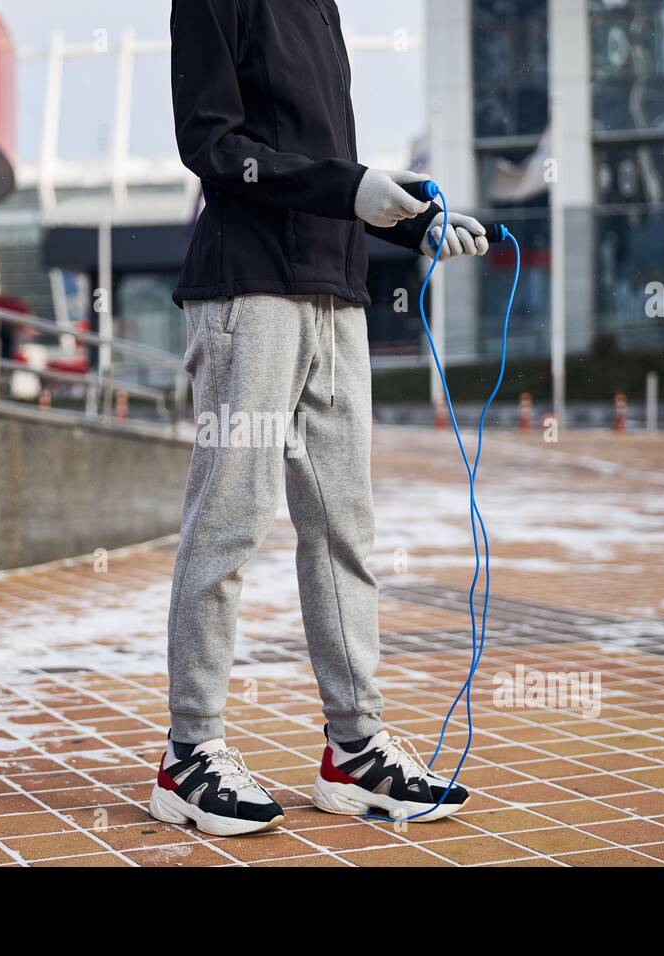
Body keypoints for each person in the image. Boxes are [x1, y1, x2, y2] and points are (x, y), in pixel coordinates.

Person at [149, 0, 489, 837]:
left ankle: (355, 748)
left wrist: (407, 218)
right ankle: (188, 756)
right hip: (248, 291)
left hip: (337, 296)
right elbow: (214, 146)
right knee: (229, 520)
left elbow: (318, 162)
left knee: (344, 528)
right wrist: (349, 186)